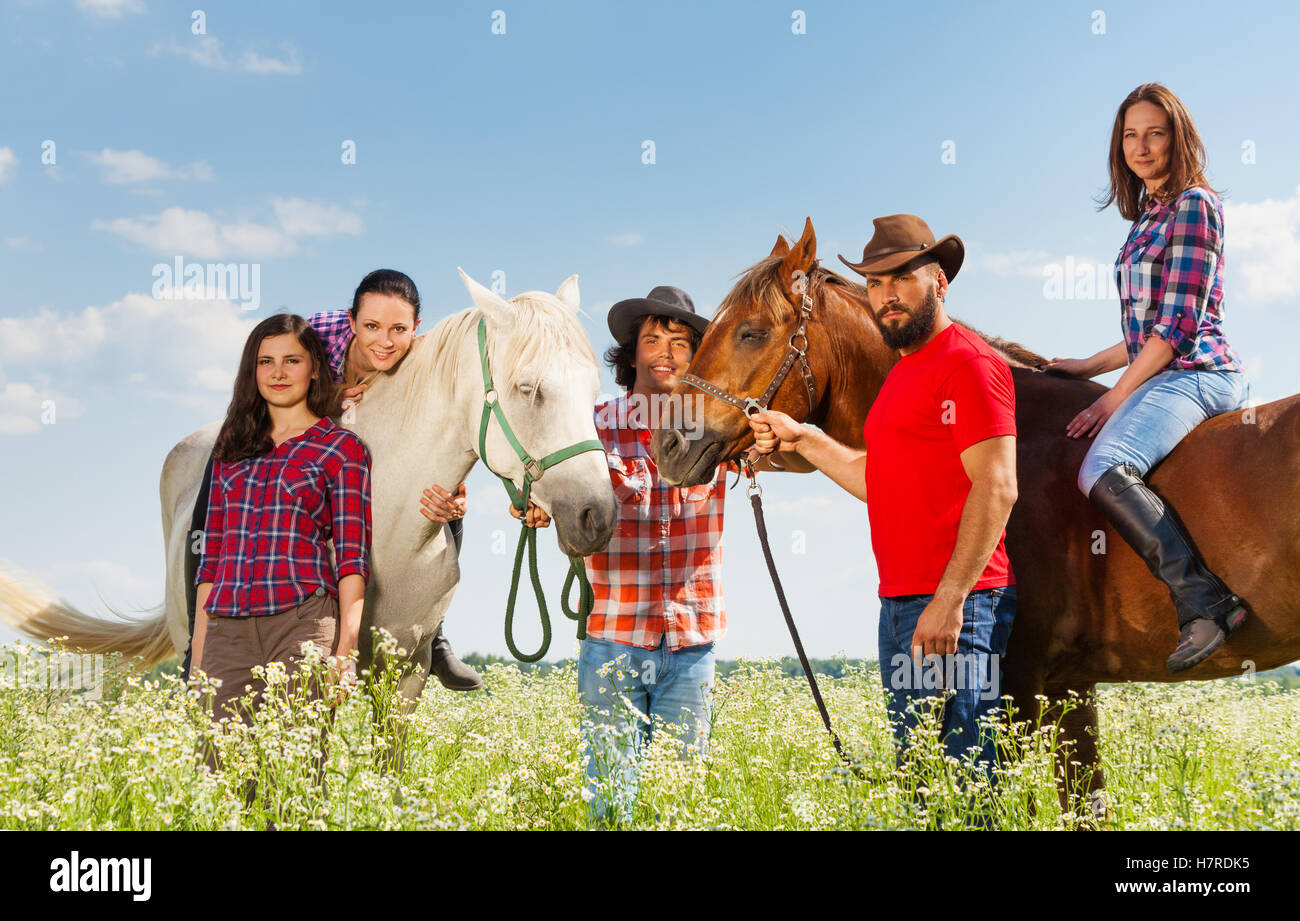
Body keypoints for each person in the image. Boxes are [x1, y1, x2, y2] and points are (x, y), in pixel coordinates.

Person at [750, 215, 1019, 775]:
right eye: (874, 283)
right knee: (922, 782)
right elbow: (881, 481)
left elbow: (998, 486)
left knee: (965, 784)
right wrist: (806, 441)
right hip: (899, 603)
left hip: (959, 608)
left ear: (940, 282)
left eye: (900, 278)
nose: (886, 295)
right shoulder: (902, 374)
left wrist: (949, 601)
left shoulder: (968, 362)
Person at [498, 286, 774, 825]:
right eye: (652, 340)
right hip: (613, 640)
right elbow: (543, 478)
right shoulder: (593, 426)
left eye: (680, 342)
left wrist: (770, 442)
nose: (666, 353)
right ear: (632, 355)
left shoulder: (717, 428)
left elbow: (775, 451)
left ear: (699, 357)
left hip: (693, 644)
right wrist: (533, 505)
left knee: (679, 803)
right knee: (609, 804)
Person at [184, 269, 482, 691]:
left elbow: (436, 437)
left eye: (398, 329)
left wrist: (456, 496)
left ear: (415, 329)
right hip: (306, 431)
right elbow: (277, 384)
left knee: (446, 498)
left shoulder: (422, 361)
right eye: (372, 327)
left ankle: (433, 635)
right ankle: (195, 641)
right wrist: (327, 395)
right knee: (213, 497)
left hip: (363, 444)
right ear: (350, 321)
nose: (384, 341)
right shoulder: (319, 334)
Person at [1043, 83, 1250, 675]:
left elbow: (1178, 325)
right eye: (1130, 135)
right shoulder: (1147, 217)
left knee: (1102, 468)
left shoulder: (1193, 205)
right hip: (1164, 365)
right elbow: (1144, 330)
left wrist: (1113, 397)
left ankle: (1207, 602)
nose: (1141, 145)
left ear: (1176, 137)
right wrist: (1084, 366)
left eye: (1154, 132)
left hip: (1199, 372)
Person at [191, 313, 371, 796]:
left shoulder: (342, 449)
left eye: (292, 360)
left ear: (315, 368)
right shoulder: (232, 450)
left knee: (290, 788)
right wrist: (197, 660)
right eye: (265, 361)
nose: (278, 372)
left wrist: (345, 653)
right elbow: (211, 562)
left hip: (302, 626)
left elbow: (353, 559)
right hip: (226, 630)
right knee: (220, 788)